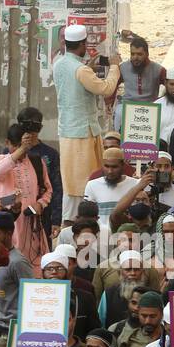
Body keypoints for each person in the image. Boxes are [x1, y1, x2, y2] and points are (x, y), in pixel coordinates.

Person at [52, 26, 122, 219]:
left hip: (69, 132)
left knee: (74, 183)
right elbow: (106, 89)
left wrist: (88, 69)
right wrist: (115, 67)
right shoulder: (81, 71)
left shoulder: (59, 63)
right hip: (81, 134)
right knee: (82, 186)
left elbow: (76, 81)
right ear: (82, 44)